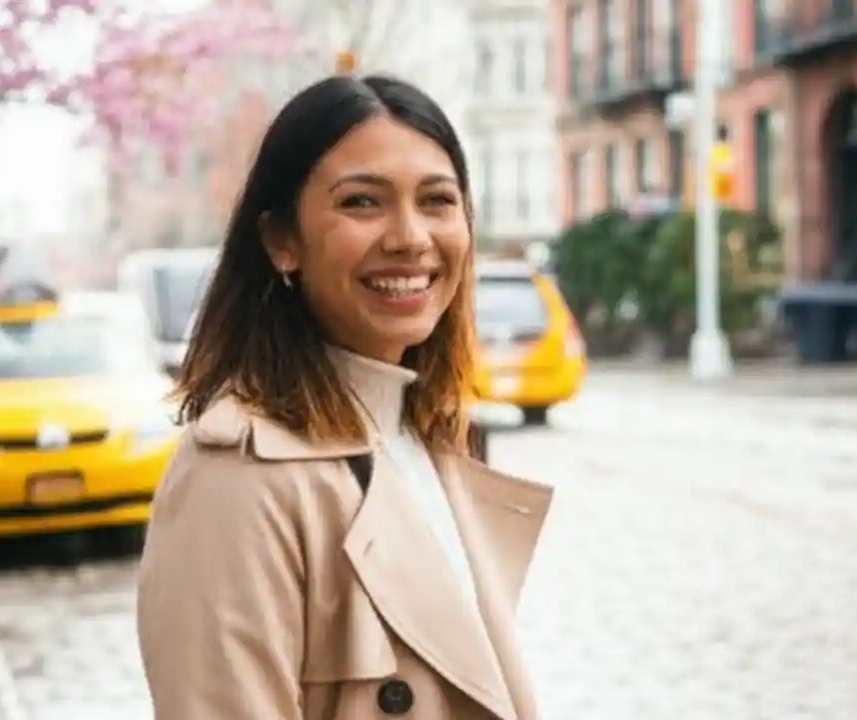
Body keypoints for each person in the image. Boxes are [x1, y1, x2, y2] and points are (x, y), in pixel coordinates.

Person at [136, 72, 554, 720]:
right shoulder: (238, 477)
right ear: (281, 241)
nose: (410, 237)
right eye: (363, 202)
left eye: (438, 201)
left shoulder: (427, 437)